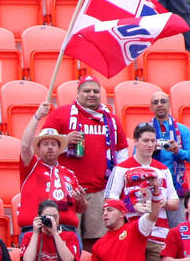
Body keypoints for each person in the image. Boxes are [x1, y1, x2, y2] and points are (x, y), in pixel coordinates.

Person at [42, 77, 127, 249]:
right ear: (78, 93)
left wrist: (116, 186)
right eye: (87, 91)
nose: (91, 94)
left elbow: (121, 153)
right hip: (66, 190)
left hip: (100, 190)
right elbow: (42, 145)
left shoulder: (112, 119)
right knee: (66, 237)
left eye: (96, 91)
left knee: (97, 240)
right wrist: (64, 141)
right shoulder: (61, 113)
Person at [107, 122, 181, 261]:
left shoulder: (162, 170)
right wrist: (130, 206)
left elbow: (175, 201)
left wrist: (161, 202)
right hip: (132, 234)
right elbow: (110, 199)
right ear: (136, 142)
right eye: (146, 141)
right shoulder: (122, 168)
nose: (150, 145)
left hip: (159, 234)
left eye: (153, 141)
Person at [20, 117, 86, 238]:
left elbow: (81, 209)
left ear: (59, 149)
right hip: (35, 229)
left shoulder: (69, 174)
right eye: (45, 144)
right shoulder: (30, 166)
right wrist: (37, 117)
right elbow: (25, 146)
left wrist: (81, 200)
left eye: (53, 144)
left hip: (67, 231)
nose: (50, 147)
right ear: (38, 149)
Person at [149, 90, 190, 223]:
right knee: (152, 230)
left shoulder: (182, 130)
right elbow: (136, 156)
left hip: (175, 188)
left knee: (177, 231)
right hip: (151, 186)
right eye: (155, 102)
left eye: (163, 101)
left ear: (169, 104)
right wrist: (150, 150)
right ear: (151, 107)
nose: (159, 105)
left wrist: (178, 151)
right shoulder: (145, 130)